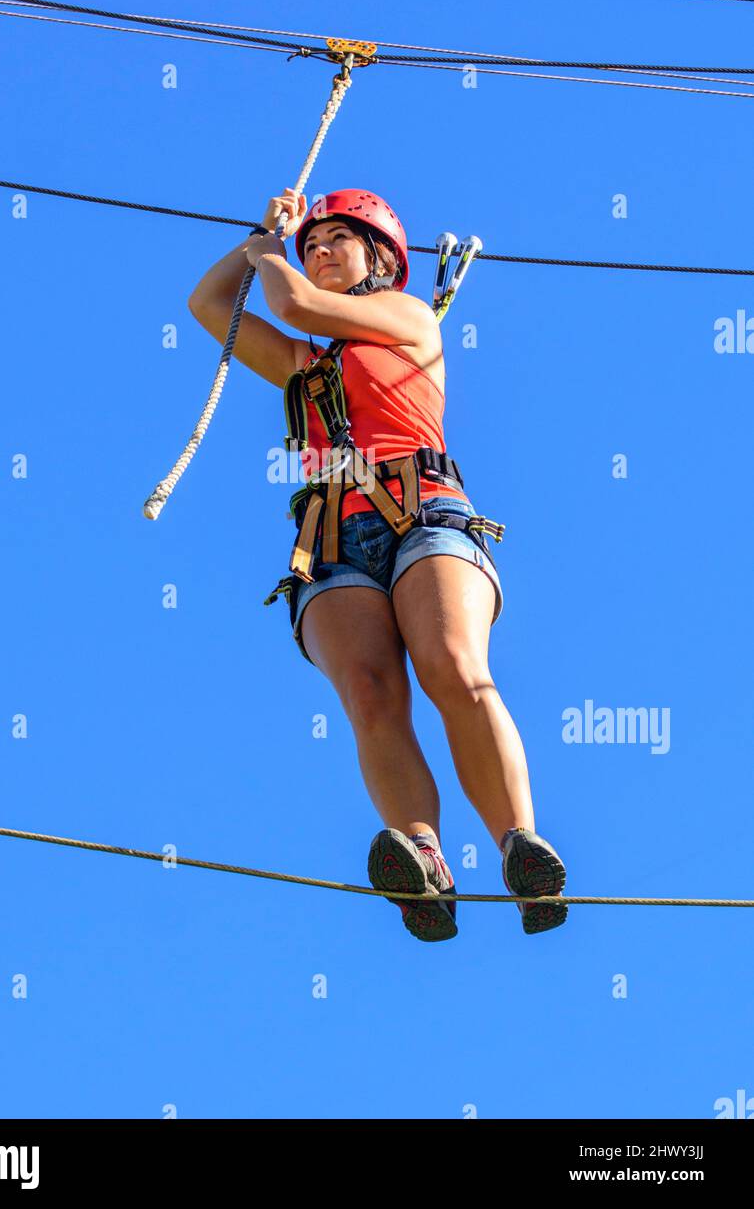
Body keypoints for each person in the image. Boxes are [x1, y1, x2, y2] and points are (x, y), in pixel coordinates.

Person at [187, 187, 567, 943]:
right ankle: (425, 855)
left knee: (453, 667)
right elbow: (208, 303)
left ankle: (518, 843)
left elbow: (290, 302)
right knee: (368, 692)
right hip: (332, 538)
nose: (318, 250)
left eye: (337, 240)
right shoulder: (304, 363)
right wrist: (264, 236)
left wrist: (274, 251)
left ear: (383, 260)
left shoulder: (409, 319)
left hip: (423, 512)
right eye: (313, 242)